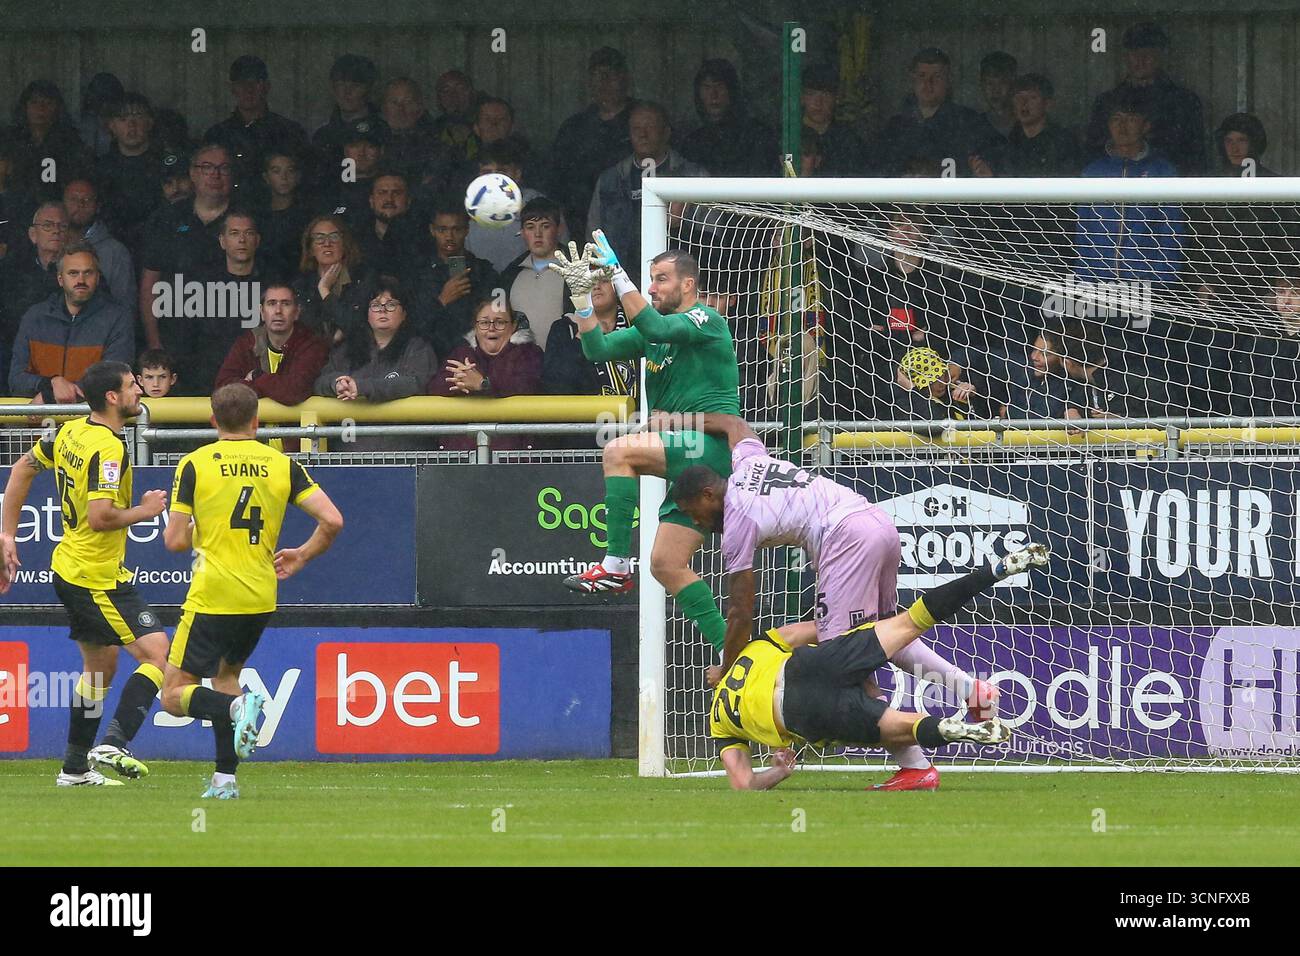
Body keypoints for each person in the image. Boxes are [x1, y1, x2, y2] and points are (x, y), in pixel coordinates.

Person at [673, 416, 1001, 791]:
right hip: (876, 522)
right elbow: (735, 425)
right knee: (884, 634)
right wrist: (692, 421)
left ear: (707, 495)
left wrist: (729, 667)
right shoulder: (749, 463)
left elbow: (740, 609)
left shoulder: (736, 523)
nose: (695, 522)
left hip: (843, 540)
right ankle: (970, 691)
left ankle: (915, 766)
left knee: (845, 658)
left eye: (690, 512)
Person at [702, 546, 1049, 790]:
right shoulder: (753, 649)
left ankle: (952, 728)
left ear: (715, 686)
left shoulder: (720, 724)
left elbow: (743, 783)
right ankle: (996, 570)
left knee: (899, 727)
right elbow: (816, 631)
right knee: (911, 621)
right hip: (812, 664)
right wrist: (856, 638)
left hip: (801, 714)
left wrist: (778, 774)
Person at [554, 238, 739, 661]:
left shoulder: (704, 318)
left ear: (688, 284)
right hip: (683, 459)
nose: (652, 288)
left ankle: (616, 564)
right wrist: (582, 299)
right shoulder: (651, 334)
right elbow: (595, 349)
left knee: (618, 451)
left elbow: (655, 327)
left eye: (660, 279)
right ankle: (737, 656)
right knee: (665, 565)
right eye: (649, 280)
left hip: (708, 447)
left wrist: (618, 276)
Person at [161, 382, 343, 798]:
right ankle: (225, 781)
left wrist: (201, 527)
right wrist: (303, 555)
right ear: (257, 421)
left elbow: (173, 541)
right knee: (226, 677)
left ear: (212, 420)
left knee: (173, 695)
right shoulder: (280, 463)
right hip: (261, 596)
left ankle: (237, 709)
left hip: (213, 593)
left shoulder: (195, 463)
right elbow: (333, 520)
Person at [1, 361, 170, 786]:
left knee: (99, 670)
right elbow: (100, 517)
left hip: (73, 568)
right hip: (95, 576)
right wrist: (146, 511)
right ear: (111, 398)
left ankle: (74, 769)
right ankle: (114, 742)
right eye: (133, 386)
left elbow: (21, 469)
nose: (139, 392)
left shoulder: (71, 431)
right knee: (157, 655)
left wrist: (6, 533)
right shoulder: (108, 448)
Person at [588, 101, 708, 285]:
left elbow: (713, 238)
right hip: (621, 282)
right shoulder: (610, 180)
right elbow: (593, 240)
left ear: (666, 132)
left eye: (650, 127)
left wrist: (677, 227)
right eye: (636, 128)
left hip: (679, 285)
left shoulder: (692, 176)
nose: (643, 134)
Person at [9, 242, 133, 402]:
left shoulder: (117, 318)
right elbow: (15, 379)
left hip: (93, 421)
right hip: (40, 422)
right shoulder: (35, 317)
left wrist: (49, 396)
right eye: (73, 273)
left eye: (88, 273)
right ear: (60, 279)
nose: (81, 280)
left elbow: (114, 379)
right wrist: (51, 383)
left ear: (97, 278)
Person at [138, 143, 234, 351]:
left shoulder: (247, 218)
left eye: (223, 168)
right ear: (193, 173)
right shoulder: (166, 218)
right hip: (176, 337)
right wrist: (154, 343)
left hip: (231, 339)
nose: (215, 175)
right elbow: (150, 284)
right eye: (207, 167)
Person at [426, 295, 544, 452]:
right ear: (475, 327)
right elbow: (433, 388)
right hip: (462, 457)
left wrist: (483, 384)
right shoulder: (461, 354)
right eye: (484, 322)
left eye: (500, 322)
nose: (491, 328)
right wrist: (457, 381)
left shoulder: (529, 353)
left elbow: (525, 385)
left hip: (513, 457)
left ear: (513, 326)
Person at [1085, 21, 1205, 175]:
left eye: (1147, 55)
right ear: (1126, 57)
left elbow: (1195, 159)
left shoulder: (1185, 102)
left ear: (1161, 56)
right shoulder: (1107, 102)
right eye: (1134, 54)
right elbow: (1094, 153)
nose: (1140, 61)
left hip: (1168, 189)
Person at [549, 47, 636, 239]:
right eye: (598, 76)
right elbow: (556, 180)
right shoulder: (574, 127)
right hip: (580, 224)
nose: (604, 82)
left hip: (633, 221)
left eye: (610, 75)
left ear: (625, 78)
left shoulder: (641, 120)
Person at [876, 48, 999, 177]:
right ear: (912, 78)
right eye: (922, 75)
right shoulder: (895, 128)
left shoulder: (969, 123)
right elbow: (879, 174)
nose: (928, 83)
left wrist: (986, 173)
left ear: (948, 80)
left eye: (937, 76)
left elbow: (994, 166)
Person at [204, 55, 309, 202]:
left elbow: (302, 184)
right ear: (232, 88)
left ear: (266, 86)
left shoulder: (290, 131)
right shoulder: (217, 135)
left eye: (256, 82)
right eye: (242, 83)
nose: (249, 89)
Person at [315, 278, 438, 404]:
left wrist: (363, 387)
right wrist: (337, 383)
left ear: (404, 314)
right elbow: (320, 382)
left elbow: (416, 383)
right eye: (375, 305)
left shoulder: (418, 348)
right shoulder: (348, 348)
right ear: (367, 314)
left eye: (391, 304)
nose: (382, 310)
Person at [411, 199, 500, 358]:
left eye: (456, 229)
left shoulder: (483, 272)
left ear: (466, 230)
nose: (449, 236)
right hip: (431, 359)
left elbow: (498, 320)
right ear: (432, 230)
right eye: (442, 230)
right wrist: (442, 300)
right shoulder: (418, 274)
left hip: (476, 356)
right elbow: (412, 326)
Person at [215, 281, 329, 405]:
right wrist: (267, 388)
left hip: (295, 423)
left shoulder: (311, 344)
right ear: (262, 312)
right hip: (255, 422)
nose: (278, 311)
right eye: (271, 303)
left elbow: (294, 392)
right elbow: (223, 386)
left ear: (296, 312)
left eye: (286, 304)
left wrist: (256, 377)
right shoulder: (247, 342)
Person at [679, 58, 779, 177]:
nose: (713, 95)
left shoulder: (758, 136)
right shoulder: (693, 142)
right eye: (706, 88)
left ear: (731, 91)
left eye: (719, 86)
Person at [542, 277, 637, 398]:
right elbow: (555, 387)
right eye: (589, 282)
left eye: (603, 280)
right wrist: (583, 335)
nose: (596, 286)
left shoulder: (636, 322)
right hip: (588, 414)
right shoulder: (564, 328)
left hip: (638, 413)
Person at [498, 197, 573, 352]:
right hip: (521, 368)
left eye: (545, 226)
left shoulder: (575, 270)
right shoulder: (510, 275)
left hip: (566, 367)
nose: (537, 234)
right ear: (523, 232)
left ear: (559, 229)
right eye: (530, 227)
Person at [291, 214, 377, 346]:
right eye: (319, 238)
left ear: (344, 244)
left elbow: (355, 328)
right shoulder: (301, 286)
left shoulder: (363, 279)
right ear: (311, 249)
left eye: (334, 237)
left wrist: (324, 290)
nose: (327, 243)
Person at [8, 80, 91, 200]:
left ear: (57, 108)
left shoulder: (69, 142)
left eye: (48, 103)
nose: (41, 108)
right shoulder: (10, 140)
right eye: (34, 102)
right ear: (25, 106)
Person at [63, 178, 134, 313]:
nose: (80, 204)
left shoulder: (116, 252)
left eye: (87, 200)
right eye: (73, 199)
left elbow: (125, 309)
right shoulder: (52, 245)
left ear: (97, 206)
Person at [997, 74, 1083, 177]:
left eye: (1032, 97)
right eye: (1019, 97)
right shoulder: (1008, 141)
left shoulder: (1063, 142)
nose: (1024, 103)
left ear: (1047, 104)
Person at [258, 149, 313, 276]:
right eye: (276, 171)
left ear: (298, 176)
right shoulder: (258, 217)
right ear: (266, 177)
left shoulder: (308, 216)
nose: (284, 177)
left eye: (290, 170)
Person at [1214, 113, 1277, 177]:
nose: (1234, 149)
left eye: (1241, 141)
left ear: (1254, 144)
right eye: (1229, 141)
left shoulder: (1274, 182)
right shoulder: (1211, 181)